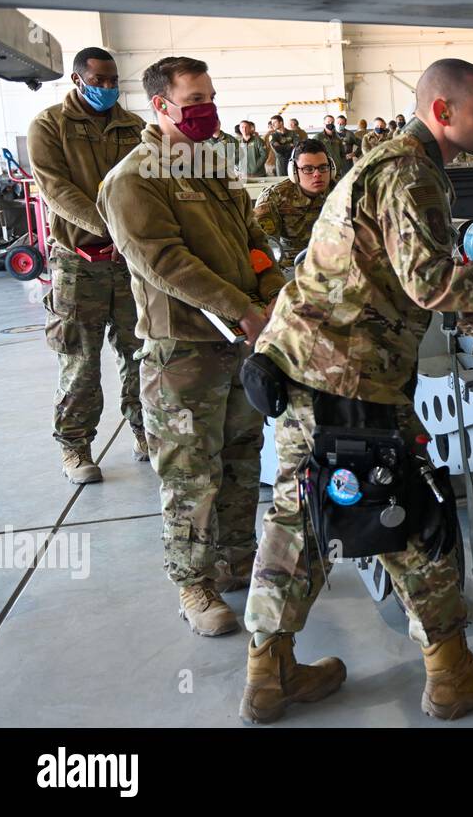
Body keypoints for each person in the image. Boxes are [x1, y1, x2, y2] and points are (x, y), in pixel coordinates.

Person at [240, 59, 473, 723]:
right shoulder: (409, 174)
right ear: (442, 111)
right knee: (412, 516)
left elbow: (421, 271)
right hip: (349, 380)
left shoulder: (403, 166)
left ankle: (271, 674)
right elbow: (430, 285)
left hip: (307, 370)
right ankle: (452, 674)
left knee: (300, 520)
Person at [98, 55, 285, 637]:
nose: (209, 110)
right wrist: (244, 309)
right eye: (195, 101)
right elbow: (166, 264)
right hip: (183, 350)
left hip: (239, 344)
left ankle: (236, 560)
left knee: (239, 458)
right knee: (189, 473)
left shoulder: (212, 163)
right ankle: (193, 583)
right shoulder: (131, 181)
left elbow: (253, 237)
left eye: (210, 96)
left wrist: (273, 289)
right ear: (161, 106)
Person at [27, 46, 147, 483]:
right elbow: (56, 189)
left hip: (128, 262)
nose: (108, 88)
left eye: (113, 80)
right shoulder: (49, 125)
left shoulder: (133, 127)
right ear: (78, 80)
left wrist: (134, 236)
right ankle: (75, 448)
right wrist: (108, 227)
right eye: (99, 81)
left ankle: (145, 432)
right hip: (79, 264)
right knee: (80, 359)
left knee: (141, 353)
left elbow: (147, 185)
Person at [253, 138, 334, 273]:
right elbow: (264, 247)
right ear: (294, 172)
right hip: (291, 265)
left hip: (336, 261)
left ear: (331, 169)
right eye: (308, 169)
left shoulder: (344, 192)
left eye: (323, 167)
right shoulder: (274, 198)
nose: (317, 174)